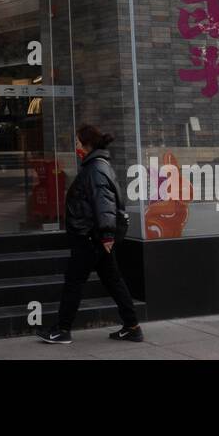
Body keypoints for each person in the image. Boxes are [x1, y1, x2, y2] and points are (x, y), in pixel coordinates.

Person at [38, 124, 143, 344]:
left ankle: (63, 329)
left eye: (77, 143)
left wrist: (105, 235)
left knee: (74, 282)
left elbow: (103, 203)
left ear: (87, 145)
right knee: (113, 280)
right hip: (97, 237)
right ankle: (132, 326)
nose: (75, 147)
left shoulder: (95, 169)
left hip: (90, 237)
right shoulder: (98, 165)